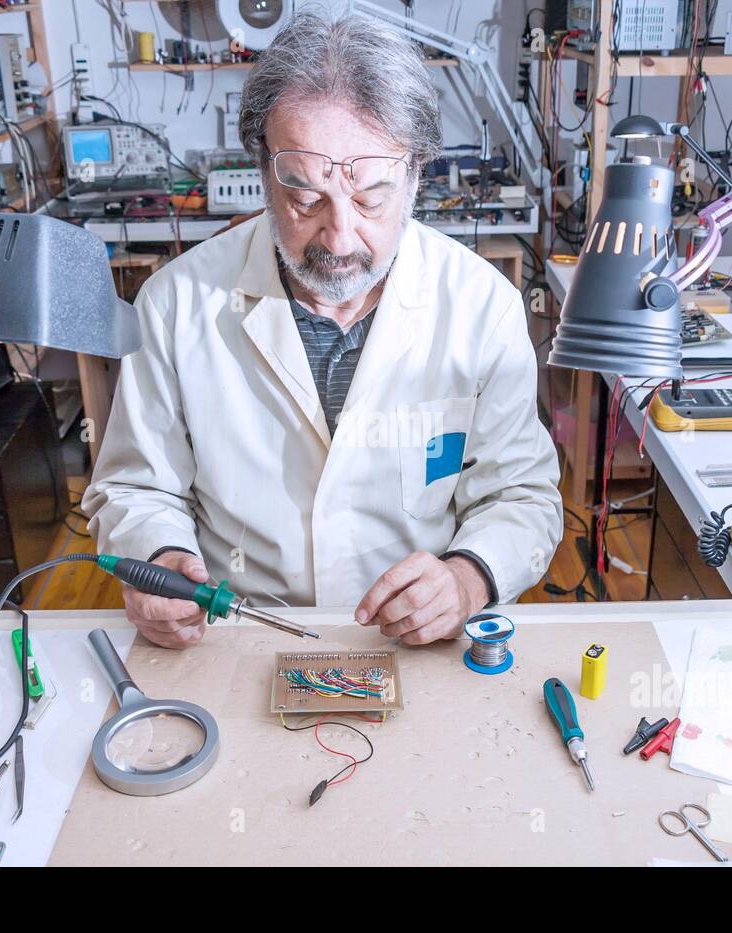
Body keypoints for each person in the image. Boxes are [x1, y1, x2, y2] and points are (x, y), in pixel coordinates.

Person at [83, 11, 562, 648]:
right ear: (263, 169)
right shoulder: (175, 306)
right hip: (239, 634)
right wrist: (163, 560)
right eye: (305, 198)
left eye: (370, 199)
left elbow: (521, 494)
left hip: (414, 644)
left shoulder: (481, 309)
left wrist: (468, 580)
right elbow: (135, 487)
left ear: (416, 174)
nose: (338, 238)